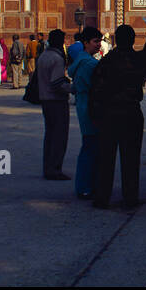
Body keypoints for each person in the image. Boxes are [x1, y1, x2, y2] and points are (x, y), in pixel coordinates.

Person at [88, 25, 146, 209]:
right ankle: (130, 197)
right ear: (133, 40)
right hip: (131, 114)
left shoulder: (106, 61)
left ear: (116, 40)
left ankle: (102, 197)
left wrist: (94, 116)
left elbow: (95, 91)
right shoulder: (138, 60)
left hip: (109, 115)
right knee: (131, 159)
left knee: (106, 158)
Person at [70, 26, 103, 199]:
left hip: (83, 105)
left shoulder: (81, 60)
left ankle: (84, 185)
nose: (99, 45)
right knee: (91, 148)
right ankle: (85, 186)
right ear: (86, 42)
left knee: (88, 146)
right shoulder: (90, 63)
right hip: (91, 107)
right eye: (95, 41)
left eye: (100, 41)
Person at [36, 29, 73, 180]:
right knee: (59, 136)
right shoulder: (57, 59)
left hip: (45, 99)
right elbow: (57, 83)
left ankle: (47, 167)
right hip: (57, 101)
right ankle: (54, 169)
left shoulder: (43, 56)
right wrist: (73, 88)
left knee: (50, 135)